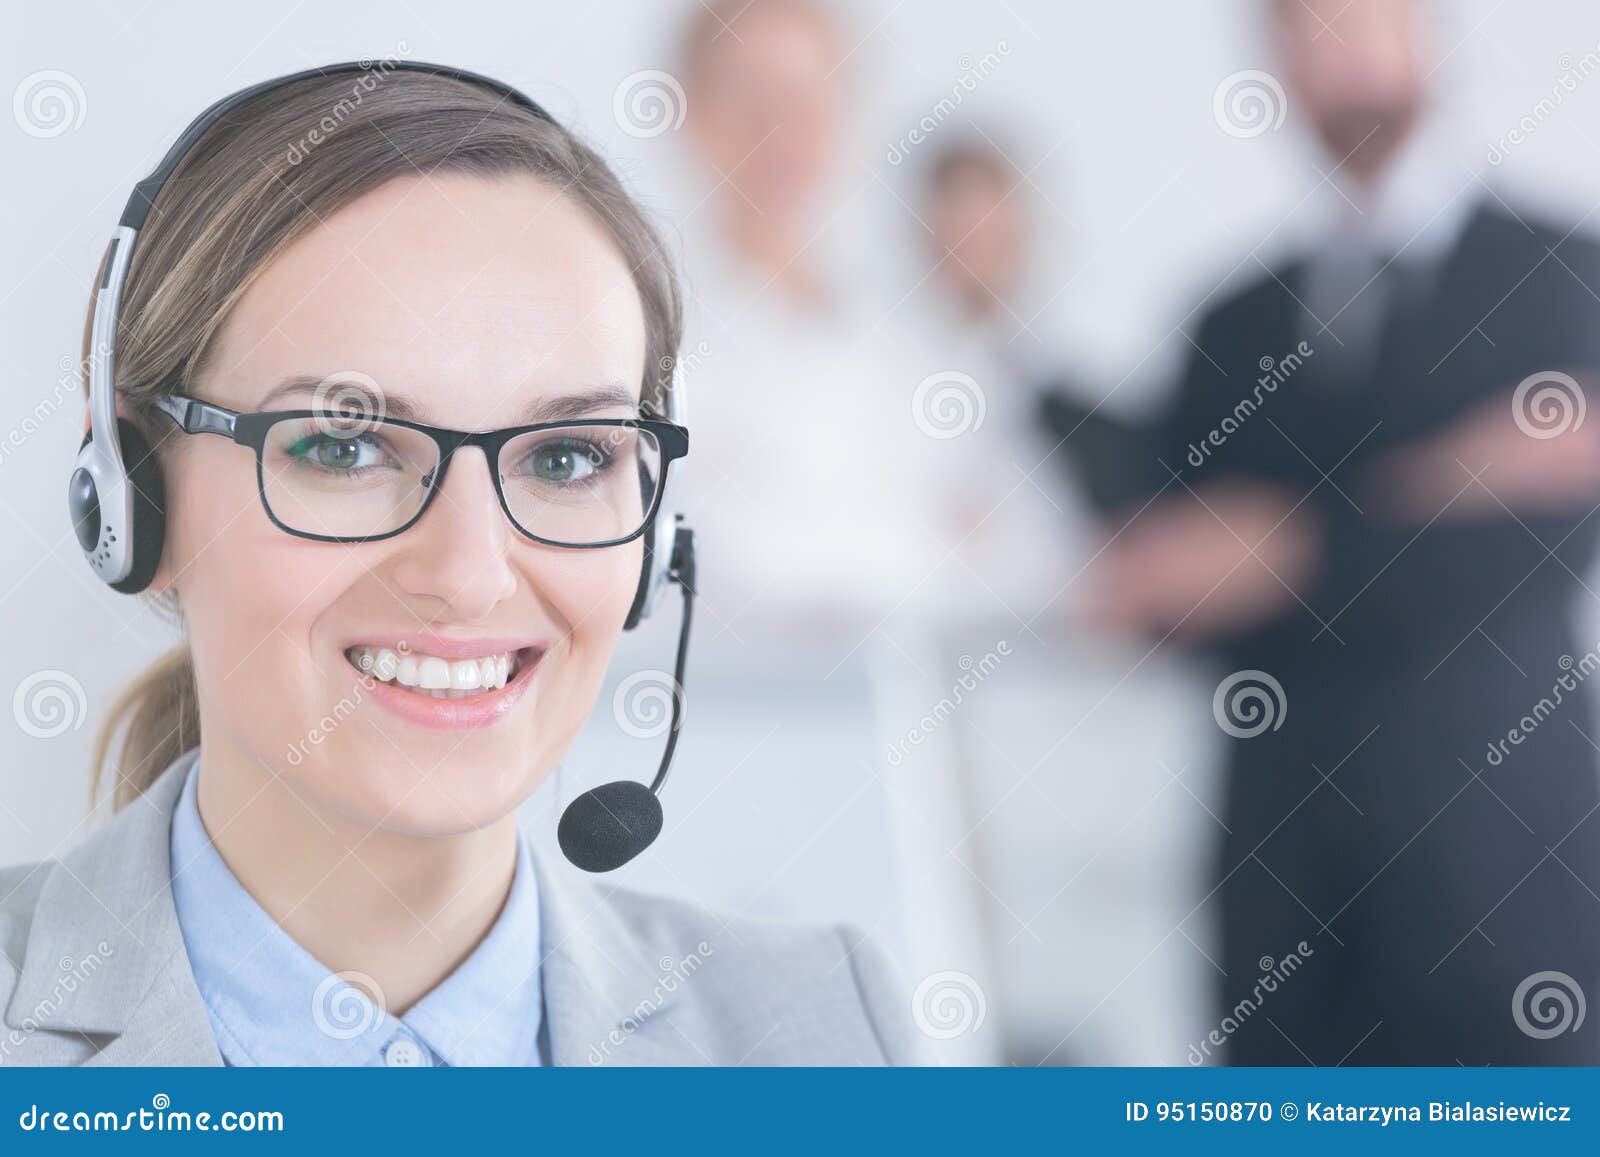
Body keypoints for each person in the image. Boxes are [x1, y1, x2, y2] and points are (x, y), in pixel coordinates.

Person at [0, 62, 919, 1067]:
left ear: (657, 542)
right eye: (344, 447)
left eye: (568, 457)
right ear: (133, 497)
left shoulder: (824, 1027)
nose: (470, 572)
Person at [1088, 0, 1600, 1064]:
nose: (1337, 56)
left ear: (1428, 32)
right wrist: (1448, 473)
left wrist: (1283, 546)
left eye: (1363, 20)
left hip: (1507, 885)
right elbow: (1161, 586)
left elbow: (1523, 548)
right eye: (1302, 31)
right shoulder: (1229, 320)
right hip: (1285, 898)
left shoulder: (1562, 277)